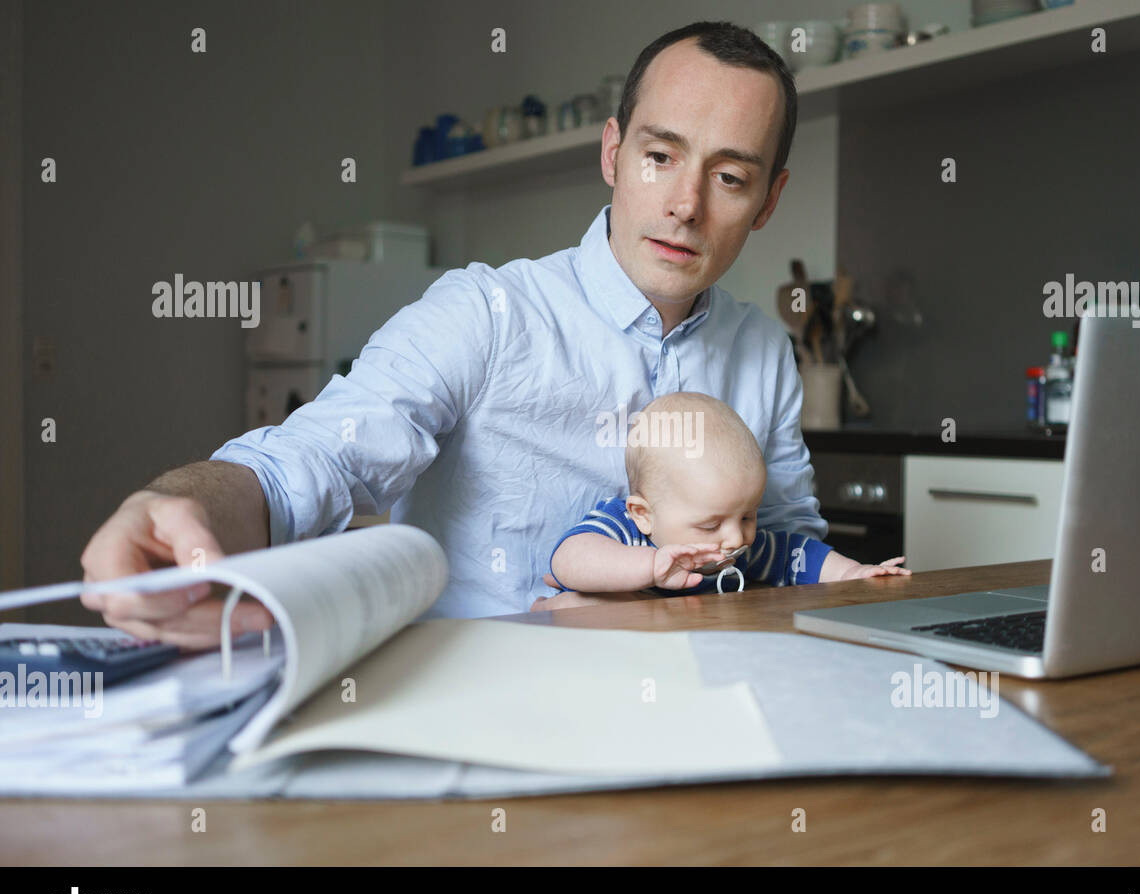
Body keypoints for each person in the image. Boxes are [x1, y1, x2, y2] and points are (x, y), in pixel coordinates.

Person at [79, 20, 826, 645]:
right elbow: (308, 465)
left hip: (695, 714)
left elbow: (789, 551)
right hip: (487, 722)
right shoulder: (485, 314)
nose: (685, 205)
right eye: (659, 157)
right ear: (612, 152)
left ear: (768, 201)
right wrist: (177, 506)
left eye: (729, 178)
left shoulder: (763, 353)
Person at [549, 392, 910, 596]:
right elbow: (566, 560)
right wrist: (649, 567)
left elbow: (796, 556)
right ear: (644, 513)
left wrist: (853, 574)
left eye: (748, 515)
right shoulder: (626, 530)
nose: (737, 537)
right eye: (710, 525)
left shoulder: (733, 553)